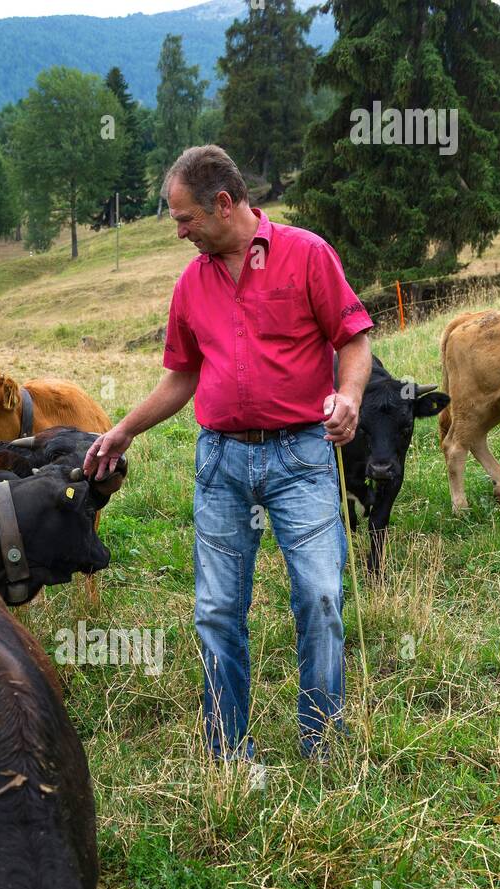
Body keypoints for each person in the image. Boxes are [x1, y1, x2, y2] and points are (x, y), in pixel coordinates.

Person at [84, 145, 373, 767]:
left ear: (223, 203)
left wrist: (349, 395)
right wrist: (124, 430)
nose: (180, 232)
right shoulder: (191, 283)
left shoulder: (307, 254)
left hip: (303, 453)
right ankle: (229, 753)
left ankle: (321, 745)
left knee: (321, 597)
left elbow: (353, 337)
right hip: (221, 463)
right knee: (217, 611)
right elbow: (180, 377)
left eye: (185, 219)